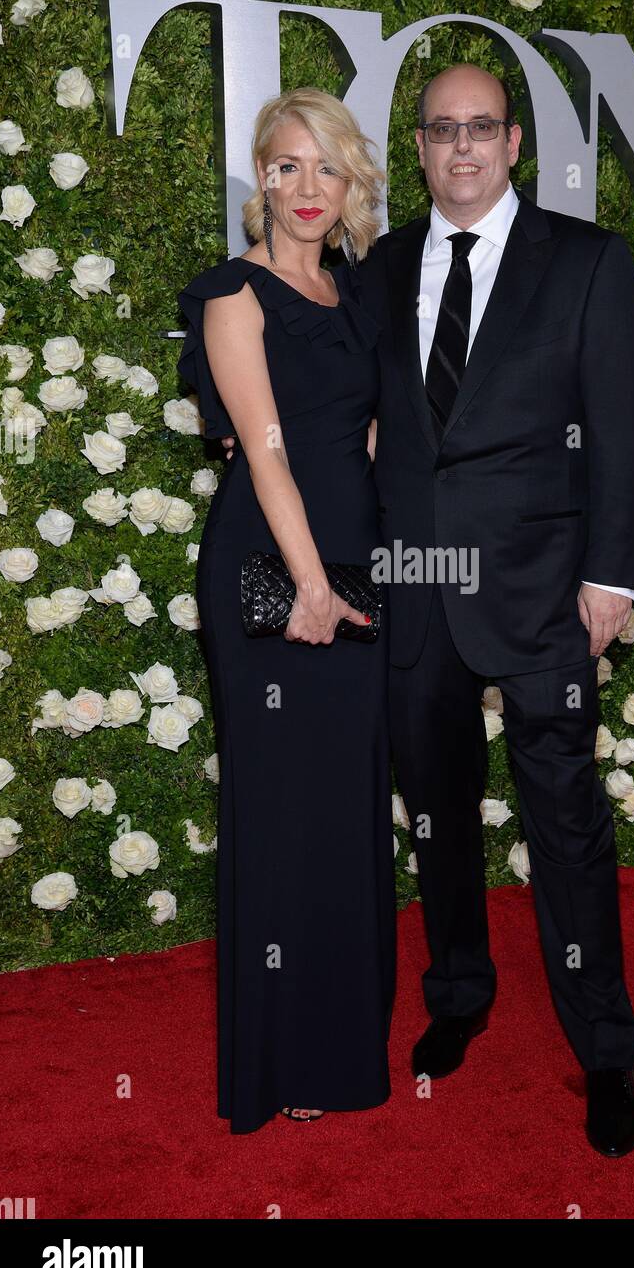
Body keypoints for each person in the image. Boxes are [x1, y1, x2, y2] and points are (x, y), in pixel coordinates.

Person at [351, 63, 634, 1158]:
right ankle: (458, 992)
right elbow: (360, 418)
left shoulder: (583, 260)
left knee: (563, 820)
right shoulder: (381, 268)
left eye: (481, 128)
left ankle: (605, 1049)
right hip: (418, 587)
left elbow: (623, 429)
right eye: (442, 130)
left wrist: (613, 577)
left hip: (542, 592)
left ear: (514, 142)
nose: (462, 148)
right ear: (420, 147)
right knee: (433, 809)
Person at [177, 88, 395, 1133]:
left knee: (344, 806)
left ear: (350, 185)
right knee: (280, 808)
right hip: (272, 567)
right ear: (257, 177)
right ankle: (279, 1059)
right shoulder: (234, 293)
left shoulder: (352, 295)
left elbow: (362, 437)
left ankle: (339, 1046)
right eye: (286, 166)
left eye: (328, 169)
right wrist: (310, 582)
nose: (307, 189)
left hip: (350, 566)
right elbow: (262, 450)